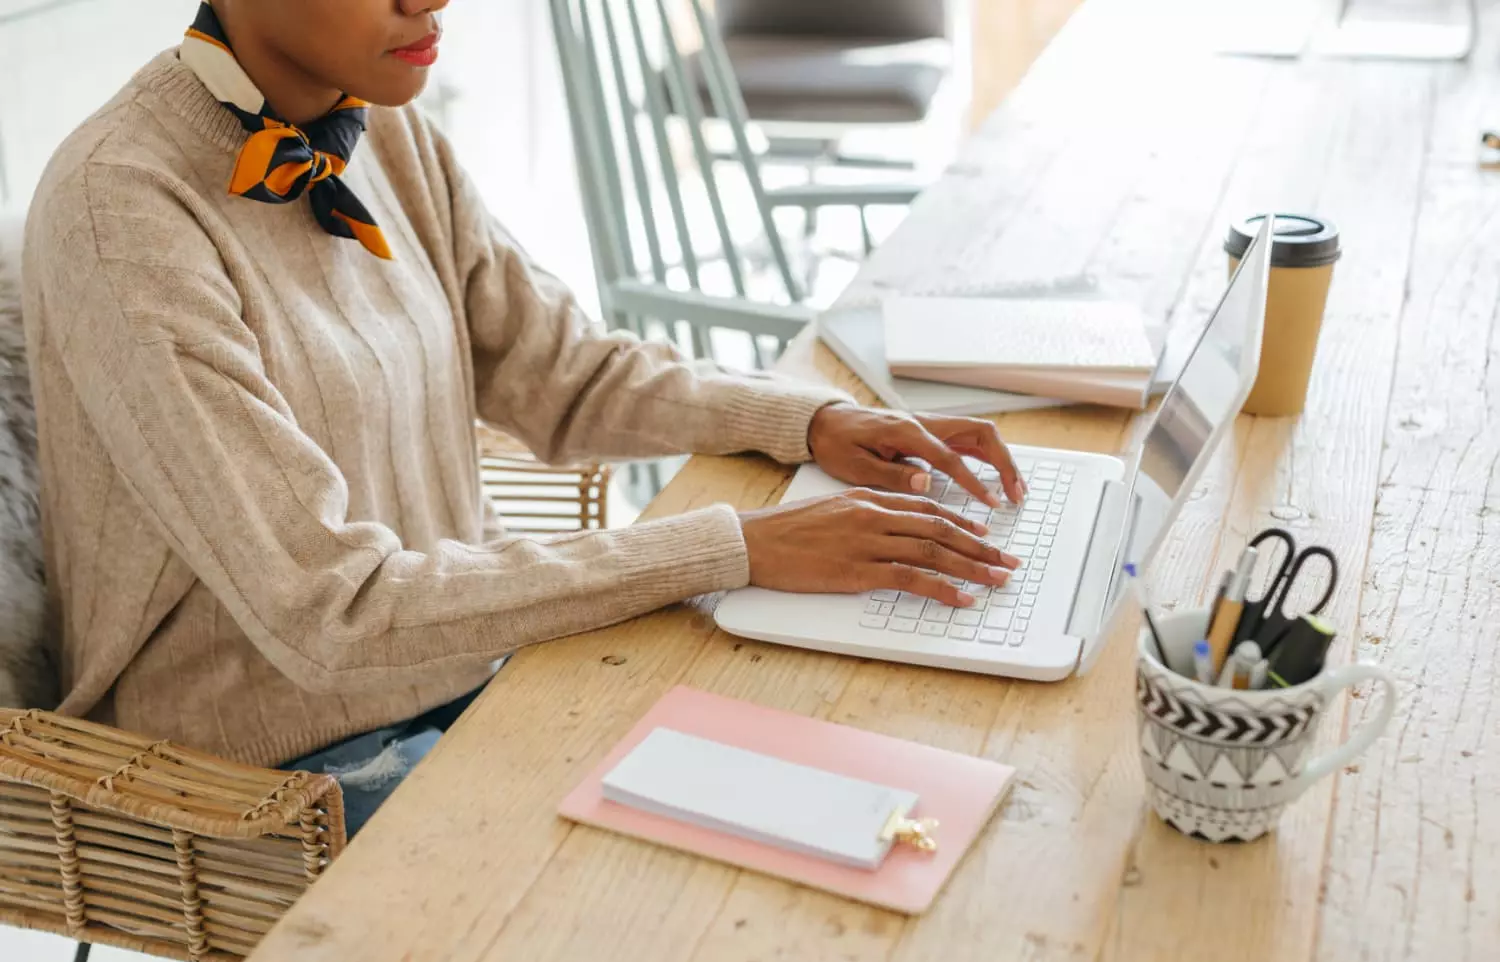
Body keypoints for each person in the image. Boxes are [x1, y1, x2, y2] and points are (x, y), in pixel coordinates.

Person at [22, 0, 1026, 833]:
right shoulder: (122, 209)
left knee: (856, 761)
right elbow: (331, 614)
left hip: (473, 660)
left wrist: (807, 422)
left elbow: (570, 374)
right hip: (275, 759)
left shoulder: (391, 127)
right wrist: (738, 547)